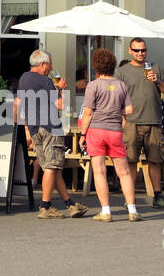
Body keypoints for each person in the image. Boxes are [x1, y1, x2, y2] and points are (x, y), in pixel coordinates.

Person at [14, 49, 88, 218]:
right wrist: (61, 89)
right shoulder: (45, 81)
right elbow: (61, 105)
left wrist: (18, 123)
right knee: (51, 167)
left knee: (53, 169)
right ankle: (45, 206)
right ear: (42, 64)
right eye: (50, 64)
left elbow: (17, 104)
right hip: (50, 128)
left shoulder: (24, 78)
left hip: (33, 129)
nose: (51, 67)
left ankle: (70, 204)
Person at [79, 48, 141, 221]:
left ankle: (106, 211)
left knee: (99, 172)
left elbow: (88, 113)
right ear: (113, 65)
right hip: (115, 131)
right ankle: (132, 210)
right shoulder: (120, 84)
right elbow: (129, 109)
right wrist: (117, 110)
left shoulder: (93, 85)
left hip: (96, 131)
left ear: (96, 67)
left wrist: (83, 134)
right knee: (124, 172)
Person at [115, 38, 164, 210]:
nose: (140, 54)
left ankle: (158, 196)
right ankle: (130, 197)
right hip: (132, 123)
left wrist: (157, 81)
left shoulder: (156, 68)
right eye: (136, 50)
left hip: (154, 121)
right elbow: (116, 97)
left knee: (155, 161)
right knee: (131, 161)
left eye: (143, 50)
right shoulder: (122, 71)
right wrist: (121, 117)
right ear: (130, 51)